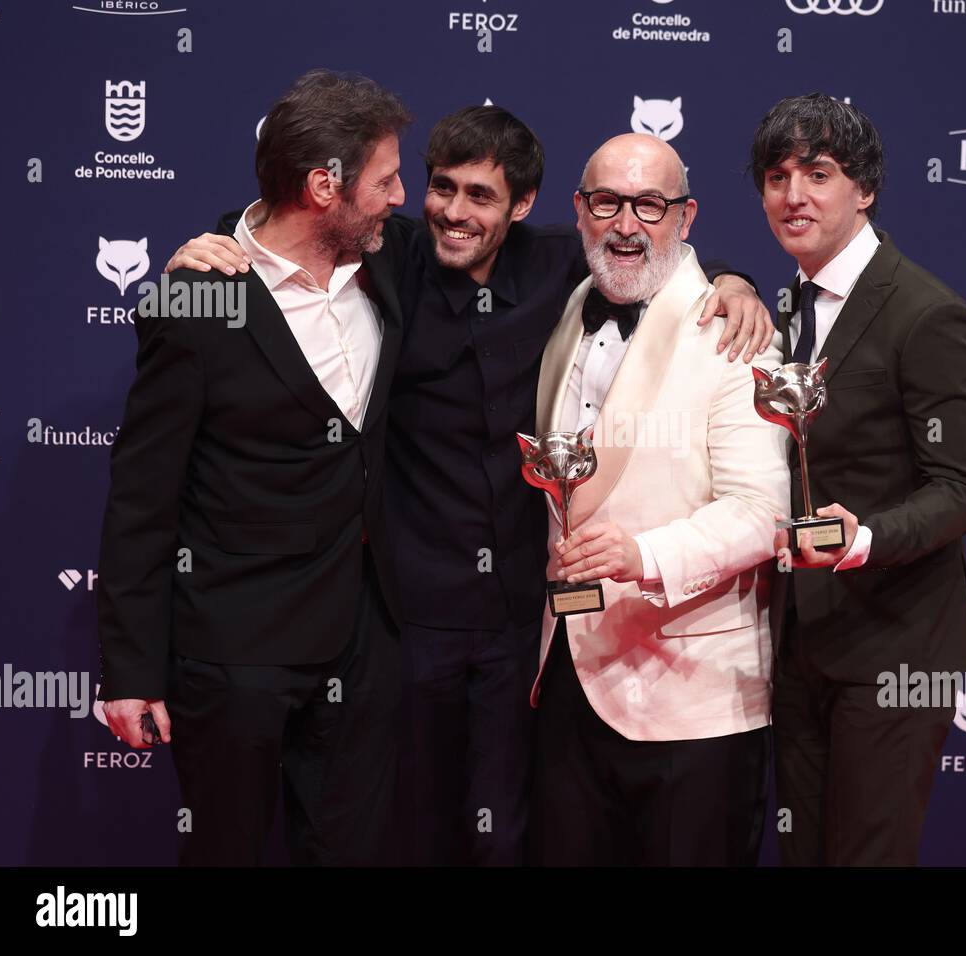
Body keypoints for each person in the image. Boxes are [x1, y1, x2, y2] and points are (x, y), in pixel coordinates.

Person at [166, 105, 773, 866]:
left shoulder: (563, 269)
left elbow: (648, 253)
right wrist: (219, 239)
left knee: (510, 836)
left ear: (521, 207)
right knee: (405, 829)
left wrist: (737, 282)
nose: (455, 212)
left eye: (480, 196)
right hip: (403, 622)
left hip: (528, 623)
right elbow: (297, 229)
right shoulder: (391, 257)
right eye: (440, 188)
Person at [97, 70, 411, 866]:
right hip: (234, 651)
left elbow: (549, 253)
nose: (402, 197)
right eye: (385, 180)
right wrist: (129, 670)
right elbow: (143, 494)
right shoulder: (200, 298)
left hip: (362, 638)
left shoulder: (386, 258)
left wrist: (728, 276)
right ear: (322, 187)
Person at [529, 133, 789, 866]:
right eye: (607, 202)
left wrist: (643, 555)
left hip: (694, 708)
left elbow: (763, 512)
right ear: (579, 211)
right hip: (567, 689)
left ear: (686, 216)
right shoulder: (568, 306)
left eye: (650, 204)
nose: (626, 223)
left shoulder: (736, 340)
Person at [750, 94, 966, 866]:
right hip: (798, 645)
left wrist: (866, 539)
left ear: (866, 189)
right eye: (778, 176)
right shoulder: (781, 306)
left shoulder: (927, 314)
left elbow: (961, 490)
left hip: (896, 653)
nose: (794, 195)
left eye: (818, 173)